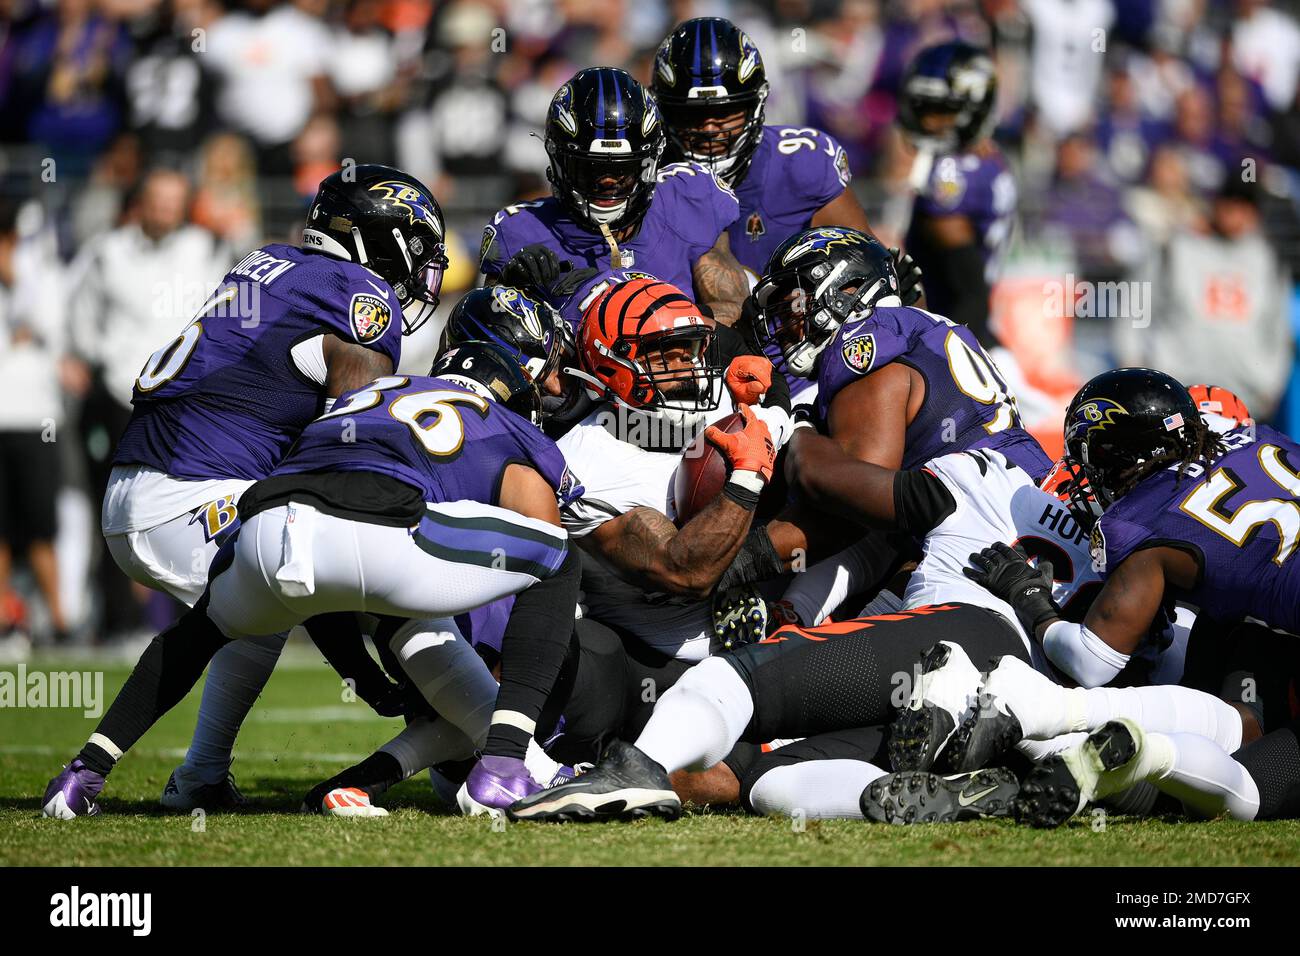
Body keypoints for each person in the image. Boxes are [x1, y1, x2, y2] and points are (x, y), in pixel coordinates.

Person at [42, 340, 580, 820]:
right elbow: (542, 523)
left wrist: (363, 678)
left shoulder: (365, 398)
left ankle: (82, 774)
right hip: (380, 526)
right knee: (558, 559)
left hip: (268, 526)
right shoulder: (501, 418)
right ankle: (508, 768)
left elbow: (324, 585)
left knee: (193, 637)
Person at [94, 163, 445, 811]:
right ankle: (500, 750)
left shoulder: (269, 264)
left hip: (130, 486)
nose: (423, 273)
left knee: (265, 604)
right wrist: (364, 668)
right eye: (417, 251)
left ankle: (196, 779)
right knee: (363, 556)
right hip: (188, 495)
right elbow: (352, 469)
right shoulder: (359, 296)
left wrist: (355, 665)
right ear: (379, 239)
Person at [479, 67, 750, 327]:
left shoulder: (689, 199)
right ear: (559, 161)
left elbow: (734, 311)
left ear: (650, 163)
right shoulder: (520, 231)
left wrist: (655, 324)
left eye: (622, 169)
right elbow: (468, 348)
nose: (608, 181)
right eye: (591, 169)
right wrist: (509, 297)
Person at [1117, 178, 1293, 421]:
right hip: (1176, 390)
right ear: (1217, 205)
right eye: (1231, 206)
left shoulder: (1268, 259)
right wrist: (1132, 361)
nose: (1237, 215)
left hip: (1244, 395)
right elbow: (1136, 303)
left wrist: (1270, 383)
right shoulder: (1175, 248)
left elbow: (1278, 327)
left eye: (1245, 209)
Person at [0, 199, 70, 641]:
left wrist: (15, 279)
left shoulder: (42, 272)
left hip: (37, 418)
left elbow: (50, 325)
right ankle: (7, 619)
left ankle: (61, 623)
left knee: (43, 528)